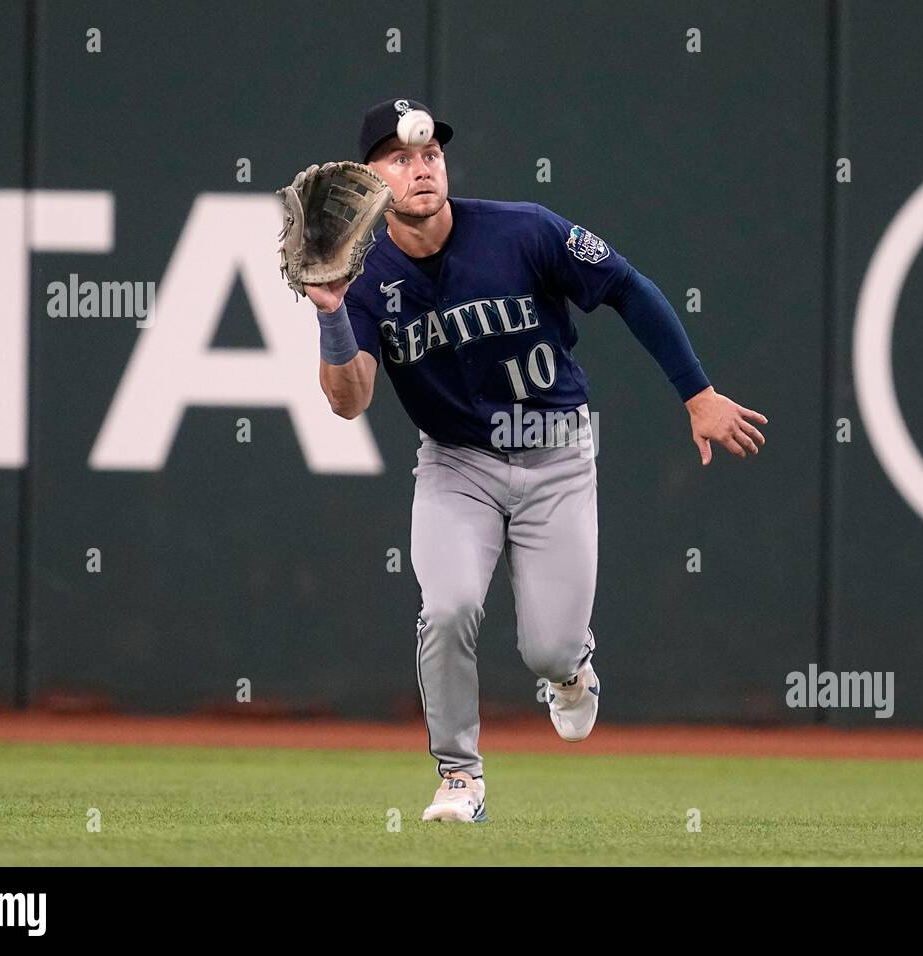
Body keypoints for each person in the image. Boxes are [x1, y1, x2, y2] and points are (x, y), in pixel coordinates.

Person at [308, 98, 767, 823]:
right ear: (368, 180)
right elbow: (348, 400)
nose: (421, 167)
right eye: (399, 157)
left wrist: (698, 394)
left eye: (430, 154)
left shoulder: (523, 230)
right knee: (449, 606)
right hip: (457, 465)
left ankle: (572, 668)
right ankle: (459, 776)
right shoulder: (361, 276)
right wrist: (333, 315)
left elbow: (626, 287)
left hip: (557, 455)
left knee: (547, 650)